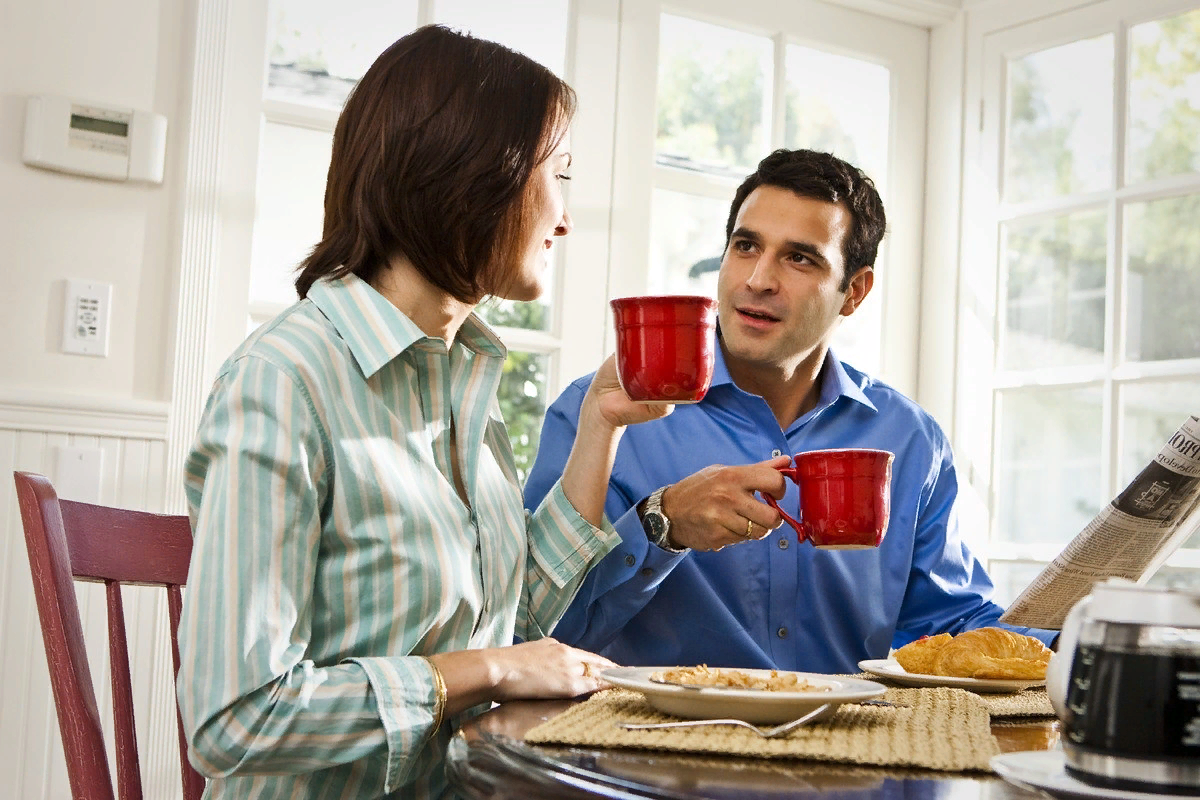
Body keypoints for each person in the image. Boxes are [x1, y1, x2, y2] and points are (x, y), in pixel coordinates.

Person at [176, 25, 670, 800]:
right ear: (471, 176)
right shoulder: (283, 381)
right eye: (558, 175)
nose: (564, 218)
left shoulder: (462, 371)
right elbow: (235, 720)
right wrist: (493, 670)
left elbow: (499, 617)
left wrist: (601, 425)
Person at [524, 148, 1057, 675]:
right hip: (645, 750)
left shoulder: (911, 439)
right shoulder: (603, 413)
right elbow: (534, 631)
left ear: (854, 291)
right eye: (745, 246)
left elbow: (951, 624)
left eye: (799, 257)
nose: (758, 279)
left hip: (847, 749)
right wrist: (661, 525)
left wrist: (1081, 640)